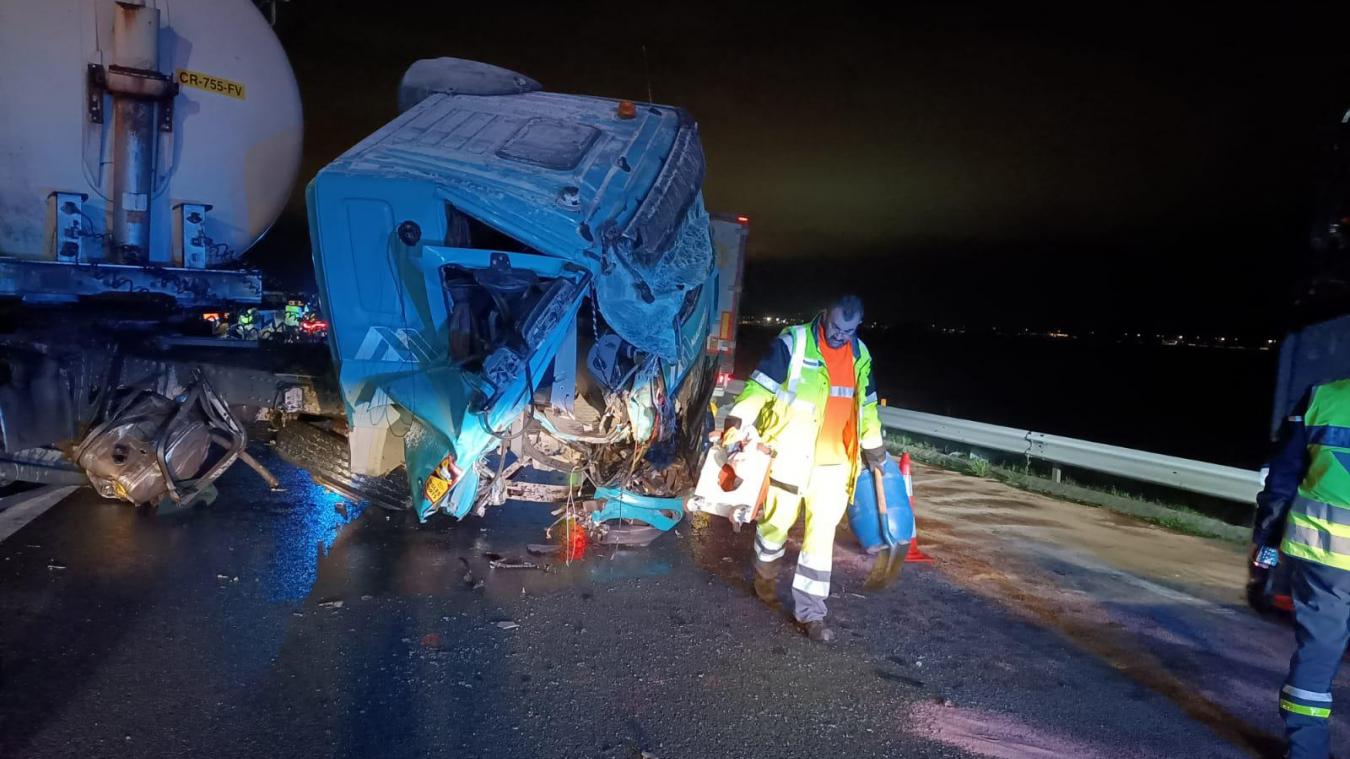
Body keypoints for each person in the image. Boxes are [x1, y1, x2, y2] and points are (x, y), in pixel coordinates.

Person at [722, 295, 886, 642]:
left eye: (849, 330)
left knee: (820, 542)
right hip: (789, 459)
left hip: (835, 466)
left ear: (858, 326)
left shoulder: (861, 356)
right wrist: (737, 422)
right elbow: (760, 387)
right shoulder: (794, 343)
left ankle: (811, 613)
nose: (840, 335)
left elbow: (868, 408)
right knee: (773, 529)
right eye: (836, 327)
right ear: (825, 315)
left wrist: (874, 448)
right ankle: (764, 584)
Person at [1253, 378, 1350, 759]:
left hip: (1325, 555)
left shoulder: (1324, 398)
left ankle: (1306, 752)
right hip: (1325, 556)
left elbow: (1284, 476)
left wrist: (1267, 537)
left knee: (1318, 653)